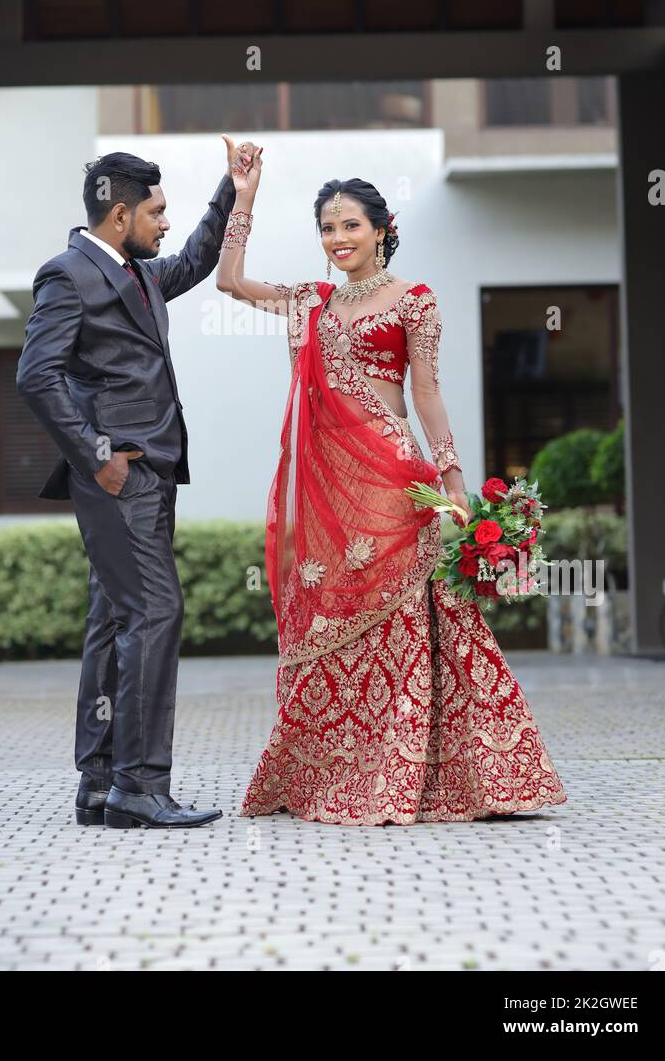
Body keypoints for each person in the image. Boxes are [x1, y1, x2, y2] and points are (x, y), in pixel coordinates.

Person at [217, 147, 568, 826]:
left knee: (413, 615)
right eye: (327, 227)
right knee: (333, 615)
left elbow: (427, 394)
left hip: (392, 474)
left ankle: (426, 770)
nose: (338, 239)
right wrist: (244, 195)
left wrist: (454, 479)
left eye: (350, 225)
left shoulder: (414, 301)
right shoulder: (308, 302)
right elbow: (230, 281)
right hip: (328, 484)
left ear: (382, 228)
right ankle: (335, 768)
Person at [16, 141, 253, 830]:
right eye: (156, 211)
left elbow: (197, 260)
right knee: (156, 613)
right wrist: (97, 455)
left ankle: (99, 783)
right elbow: (36, 375)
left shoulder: (140, 274)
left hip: (150, 470)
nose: (165, 223)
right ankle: (140, 787)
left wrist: (231, 191)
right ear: (119, 214)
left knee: (115, 618)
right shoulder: (68, 275)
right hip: (118, 474)